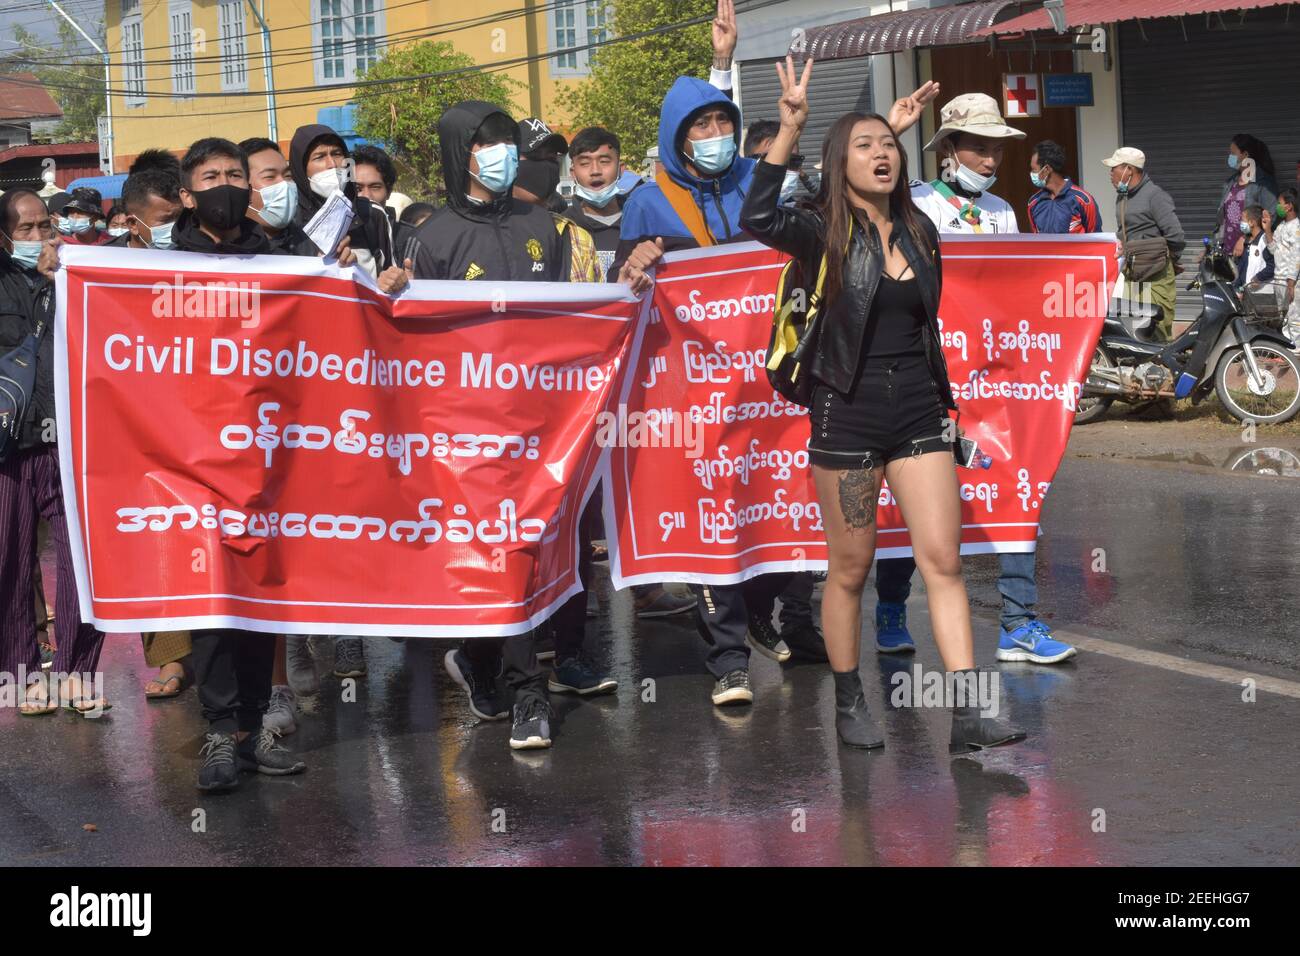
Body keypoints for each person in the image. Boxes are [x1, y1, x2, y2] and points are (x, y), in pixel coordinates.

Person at [741, 57, 1025, 752]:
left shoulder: (922, 231)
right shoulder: (821, 232)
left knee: (944, 562)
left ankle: (968, 714)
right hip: (848, 416)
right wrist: (790, 129)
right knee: (851, 569)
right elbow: (756, 215)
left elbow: (926, 329)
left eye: (889, 146)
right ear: (839, 164)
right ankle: (849, 701)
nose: (882, 155)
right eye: (864, 146)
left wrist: (948, 407)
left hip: (920, 415)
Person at [407, 99, 663, 749]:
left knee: (550, 544)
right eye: (484, 143)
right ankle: (519, 686)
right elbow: (408, 339)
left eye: (505, 142)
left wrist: (628, 283)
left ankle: (517, 667)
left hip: (547, 421)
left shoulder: (547, 227)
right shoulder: (432, 238)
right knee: (498, 552)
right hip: (468, 429)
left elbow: (585, 308)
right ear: (459, 152)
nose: (500, 154)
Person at [868, 92, 1078, 669]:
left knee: (1013, 489)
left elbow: (1012, 292)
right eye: (978, 148)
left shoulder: (1005, 212)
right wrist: (890, 131)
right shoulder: (914, 203)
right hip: (924, 376)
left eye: (997, 150)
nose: (990, 160)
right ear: (949, 149)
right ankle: (891, 608)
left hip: (991, 381)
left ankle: (1018, 622)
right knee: (909, 499)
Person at [170, 137, 308, 791]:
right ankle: (220, 736)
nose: (224, 185)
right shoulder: (156, 270)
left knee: (260, 597)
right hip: (193, 461)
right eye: (210, 177)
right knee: (211, 602)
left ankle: (252, 733)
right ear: (187, 194)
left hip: (269, 459)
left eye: (234, 174)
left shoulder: (282, 260)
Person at [0, 188, 108, 716]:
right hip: (9, 445)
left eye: (45, 225)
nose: (39, 236)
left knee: (82, 560)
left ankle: (77, 673)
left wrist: (61, 280)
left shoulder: (75, 275)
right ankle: (20, 675)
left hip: (69, 439)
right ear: (4, 237)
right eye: (26, 229)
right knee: (8, 561)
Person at [117, 167, 193, 700]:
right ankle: (170, 656)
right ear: (132, 221)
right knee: (154, 539)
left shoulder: (200, 258)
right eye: (164, 220)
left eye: (179, 218)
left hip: (199, 421)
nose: (174, 228)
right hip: (135, 425)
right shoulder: (103, 271)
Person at [288, 123, 394, 279]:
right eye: (319, 157)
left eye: (337, 154)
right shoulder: (291, 222)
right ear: (301, 168)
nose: (332, 164)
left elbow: (390, 273)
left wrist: (392, 281)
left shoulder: (372, 213)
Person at [1105, 146, 1185, 342]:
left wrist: (1166, 259)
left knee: (1157, 329)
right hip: (1133, 275)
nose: (1110, 173)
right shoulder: (1122, 197)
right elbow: (1124, 232)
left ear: (1129, 170)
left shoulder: (1155, 196)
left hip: (1157, 276)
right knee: (1132, 329)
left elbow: (1176, 236)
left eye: (1114, 168)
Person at [1219, 134, 1279, 273]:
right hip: (1228, 250)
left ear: (1245, 155)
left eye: (1233, 153)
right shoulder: (1230, 183)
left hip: (1250, 251)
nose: (1230, 157)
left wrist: (1245, 238)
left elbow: (1270, 216)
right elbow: (1223, 218)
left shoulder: (1264, 182)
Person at [1027, 140, 1101, 234]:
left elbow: (1096, 237)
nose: (1031, 174)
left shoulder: (1083, 200)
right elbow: (1035, 237)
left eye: (1034, 170)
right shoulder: (1033, 202)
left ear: (1047, 169)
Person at [1266, 188, 1299, 344]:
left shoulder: (1296, 227)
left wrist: (1291, 283)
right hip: (1279, 279)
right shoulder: (1281, 227)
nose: (1277, 207)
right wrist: (1267, 229)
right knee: (1283, 317)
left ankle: (1297, 348)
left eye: (1280, 203)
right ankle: (1287, 347)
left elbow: (1297, 257)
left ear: (1289, 206)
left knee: (1294, 316)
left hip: (1290, 281)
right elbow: (1273, 249)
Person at [1237, 204, 1275, 290]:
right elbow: (1242, 268)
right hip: (1247, 291)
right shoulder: (1246, 241)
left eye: (1243, 219)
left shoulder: (1265, 240)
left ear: (1251, 222)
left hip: (1263, 292)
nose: (1241, 223)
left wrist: (1258, 278)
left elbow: (1273, 266)